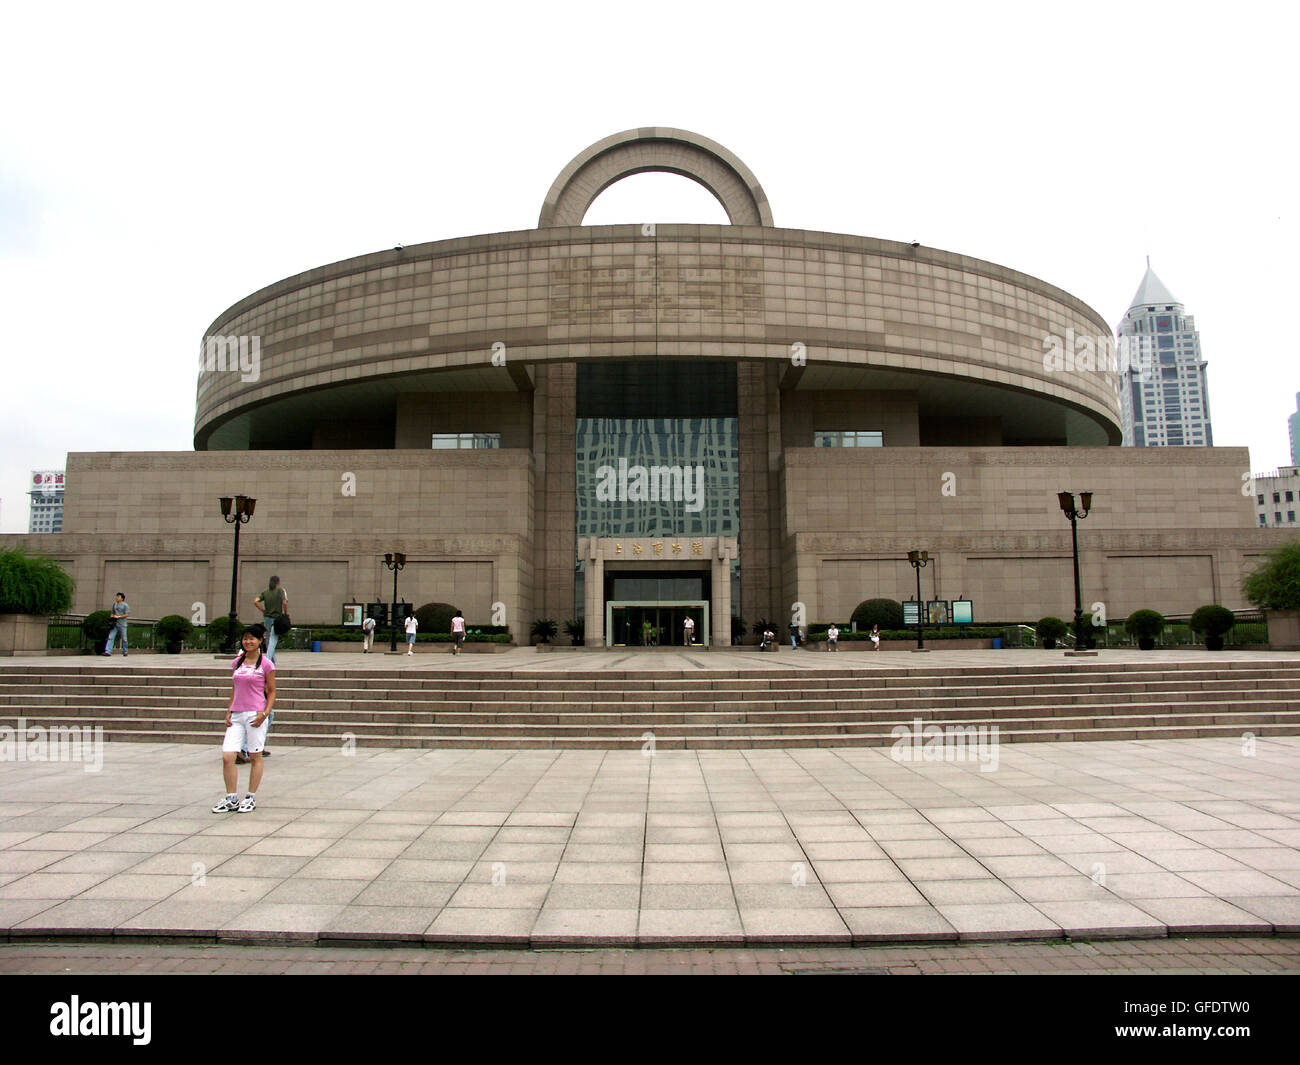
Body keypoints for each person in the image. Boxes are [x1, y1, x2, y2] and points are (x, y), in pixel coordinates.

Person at [213, 626, 275, 813]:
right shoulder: (237, 662)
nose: (248, 642)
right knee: (227, 756)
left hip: (255, 715)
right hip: (237, 714)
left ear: (260, 641)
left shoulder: (266, 664)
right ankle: (231, 797)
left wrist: (264, 713)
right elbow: (235, 689)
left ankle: (250, 796)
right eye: (245, 639)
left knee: (255, 756)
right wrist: (229, 710)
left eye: (252, 639)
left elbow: (271, 691)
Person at [254, 576, 288, 662]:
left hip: (267, 617)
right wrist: (286, 613)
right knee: (273, 638)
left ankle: (272, 659)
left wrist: (263, 610)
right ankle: (268, 659)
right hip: (277, 618)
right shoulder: (281, 591)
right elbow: (284, 602)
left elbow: (256, 601)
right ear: (278, 582)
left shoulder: (265, 592)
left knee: (268, 638)